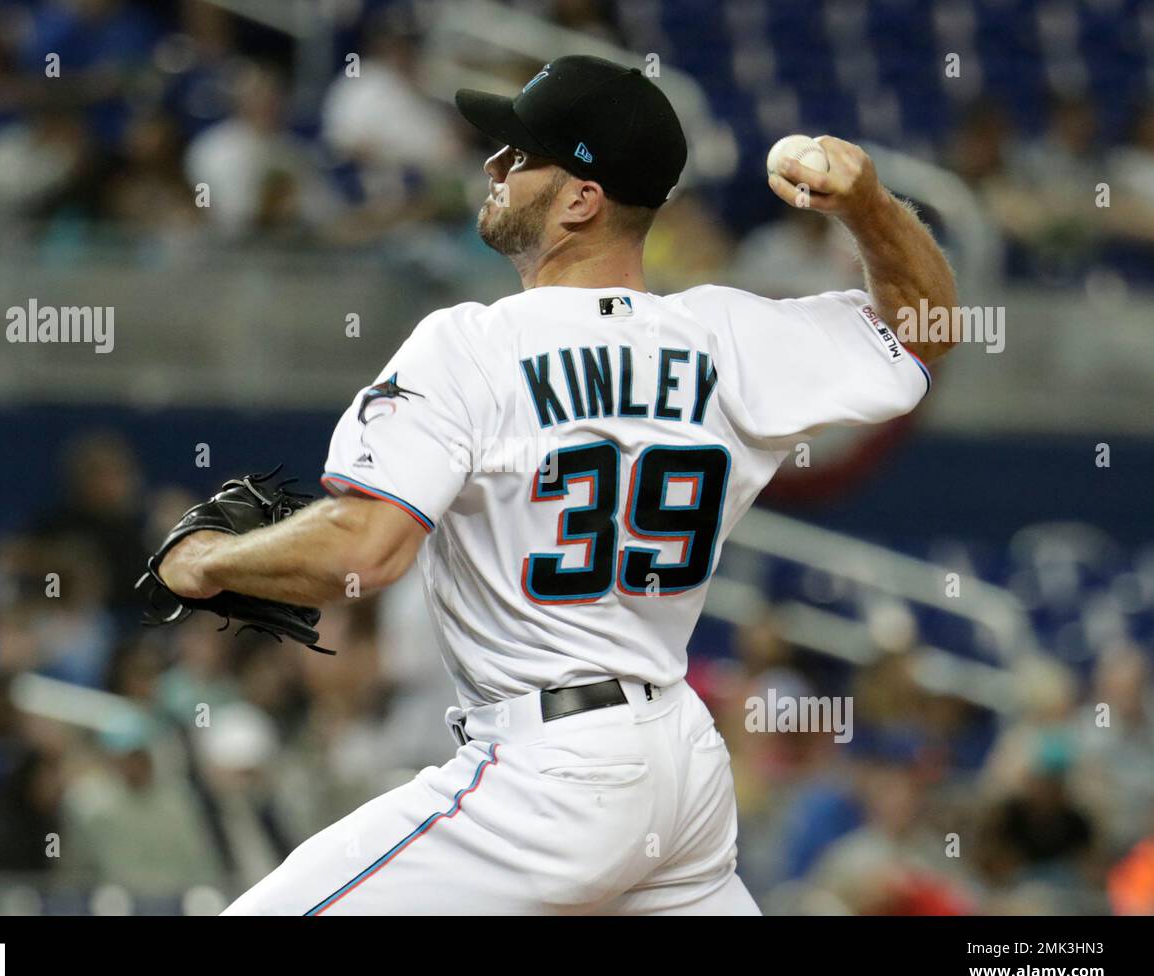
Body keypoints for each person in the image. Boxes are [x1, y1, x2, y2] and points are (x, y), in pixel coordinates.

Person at [157, 55, 959, 915]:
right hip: (676, 760)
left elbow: (368, 547)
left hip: (552, 770)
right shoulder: (726, 337)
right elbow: (929, 327)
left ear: (582, 199)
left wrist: (208, 561)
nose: (495, 168)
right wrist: (871, 207)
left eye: (519, 155)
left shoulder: (470, 345)